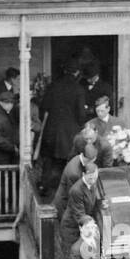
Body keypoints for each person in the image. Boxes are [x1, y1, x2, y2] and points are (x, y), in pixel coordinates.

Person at [39, 60, 88, 198]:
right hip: (69, 132)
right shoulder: (78, 89)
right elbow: (81, 115)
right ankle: (67, 191)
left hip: (51, 130)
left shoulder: (53, 86)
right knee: (68, 161)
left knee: (48, 160)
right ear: (77, 72)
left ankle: (43, 186)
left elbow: (44, 107)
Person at [0, 90, 20, 165]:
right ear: (0, 103)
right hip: (1, 156)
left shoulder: (13, 112)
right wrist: (13, 148)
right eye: (7, 103)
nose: (10, 105)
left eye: (11, 103)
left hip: (12, 154)